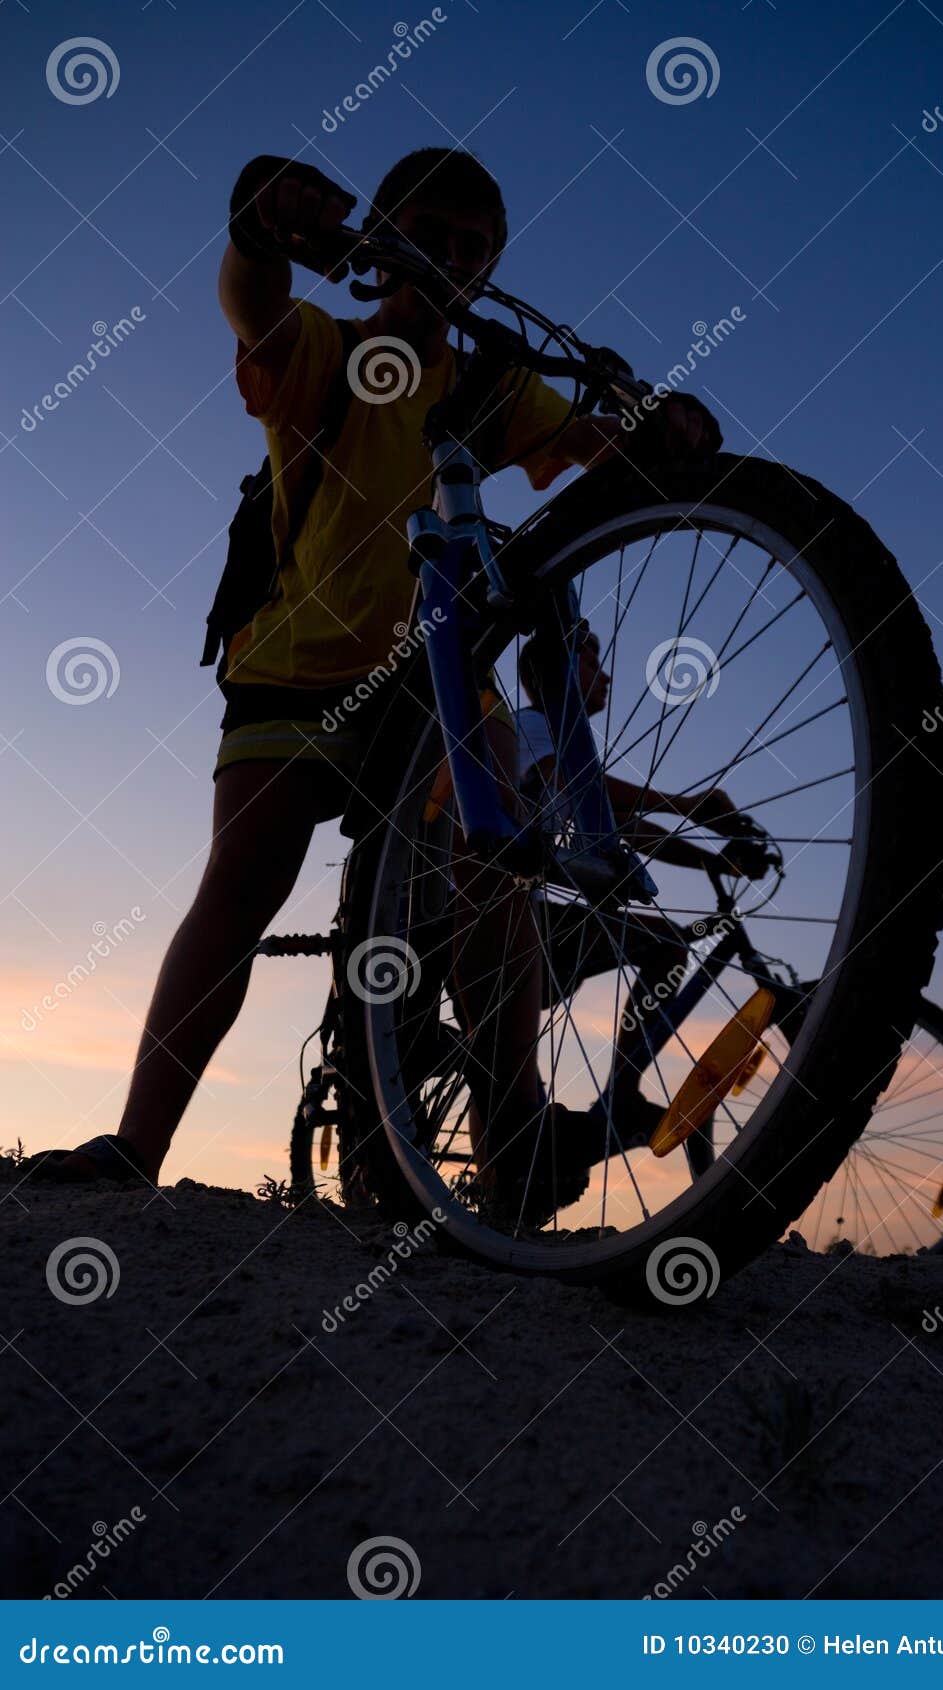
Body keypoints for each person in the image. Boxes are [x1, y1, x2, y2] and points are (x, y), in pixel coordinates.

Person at [29, 146, 722, 1190]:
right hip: (296, 665)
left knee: (500, 863)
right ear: (377, 243)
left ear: (489, 272)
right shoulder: (330, 351)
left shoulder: (491, 383)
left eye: (470, 250)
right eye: (426, 237)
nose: (447, 261)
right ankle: (136, 1145)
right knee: (241, 886)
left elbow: (584, 444)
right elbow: (251, 305)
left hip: (434, 674)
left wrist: (654, 428)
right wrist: (259, 231)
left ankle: (512, 1128)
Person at [512, 624, 768, 1142]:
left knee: (664, 945)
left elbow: (624, 825)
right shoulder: (533, 725)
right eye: (591, 663)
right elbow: (587, 790)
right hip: (512, 917)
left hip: (533, 916)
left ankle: (609, 1105)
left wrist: (713, 863)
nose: (605, 677)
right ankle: (623, 1097)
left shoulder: (561, 741)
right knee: (668, 947)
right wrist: (690, 807)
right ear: (553, 674)